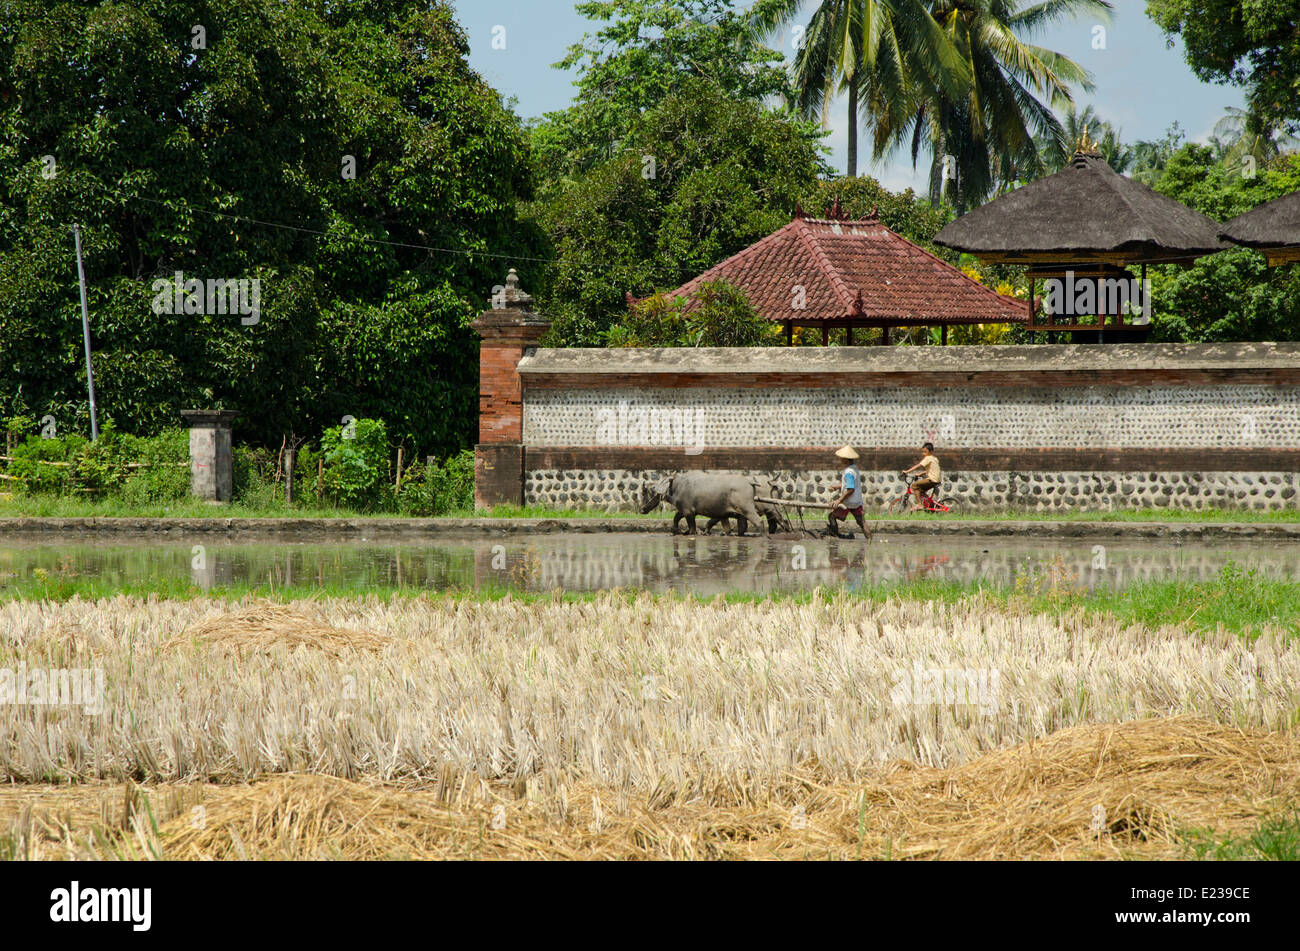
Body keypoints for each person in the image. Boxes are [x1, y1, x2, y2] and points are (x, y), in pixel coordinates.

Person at [826, 446, 868, 538]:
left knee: (831, 516)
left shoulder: (848, 472)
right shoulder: (854, 468)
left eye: (841, 458)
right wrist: (837, 487)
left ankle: (835, 537)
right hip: (857, 502)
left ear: (846, 459)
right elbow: (850, 485)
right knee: (862, 523)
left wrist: (838, 501)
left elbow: (850, 490)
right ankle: (870, 542)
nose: (840, 459)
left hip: (848, 502)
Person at [903, 442, 942, 511]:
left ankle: (919, 504)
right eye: (923, 452)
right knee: (920, 491)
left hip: (932, 479)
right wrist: (920, 474)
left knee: (914, 485)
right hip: (936, 480)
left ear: (930, 451)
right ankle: (931, 505)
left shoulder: (928, 458)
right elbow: (931, 470)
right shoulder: (934, 458)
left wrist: (907, 471)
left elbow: (918, 465)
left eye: (925, 452)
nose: (923, 453)